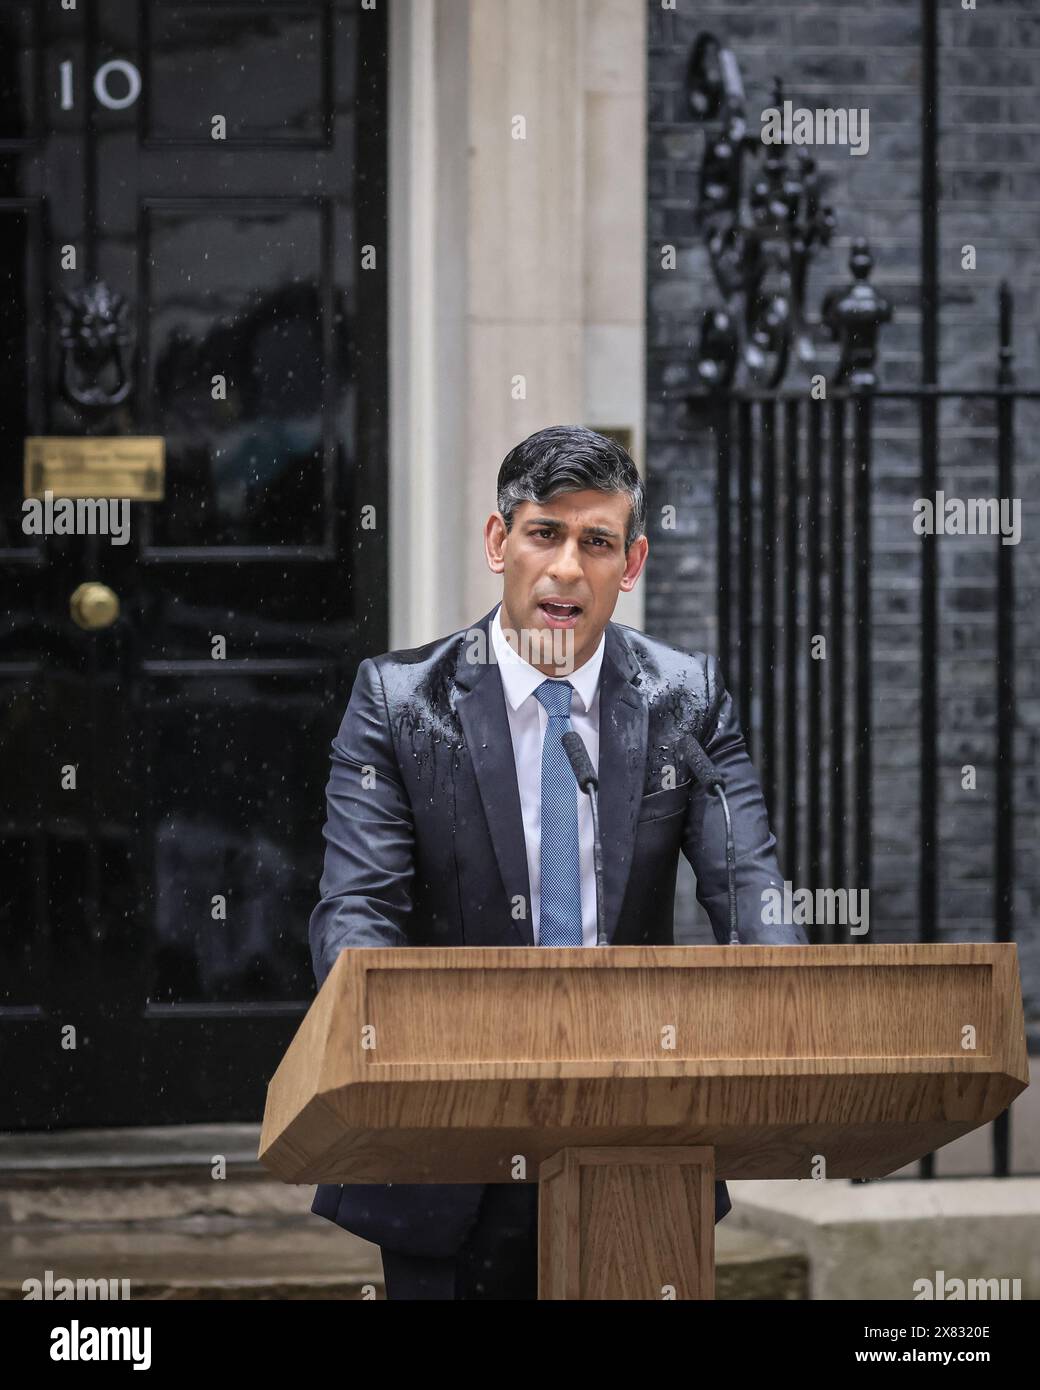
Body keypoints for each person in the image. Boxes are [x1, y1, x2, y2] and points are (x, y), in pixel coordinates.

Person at [308, 424, 807, 1298]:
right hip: (447, 1138)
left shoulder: (687, 700)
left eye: (598, 542)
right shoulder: (396, 703)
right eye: (546, 534)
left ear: (634, 560)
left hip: (636, 1140)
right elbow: (358, 909)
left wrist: (797, 1009)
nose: (568, 569)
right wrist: (379, 1039)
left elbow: (750, 885)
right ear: (500, 542)